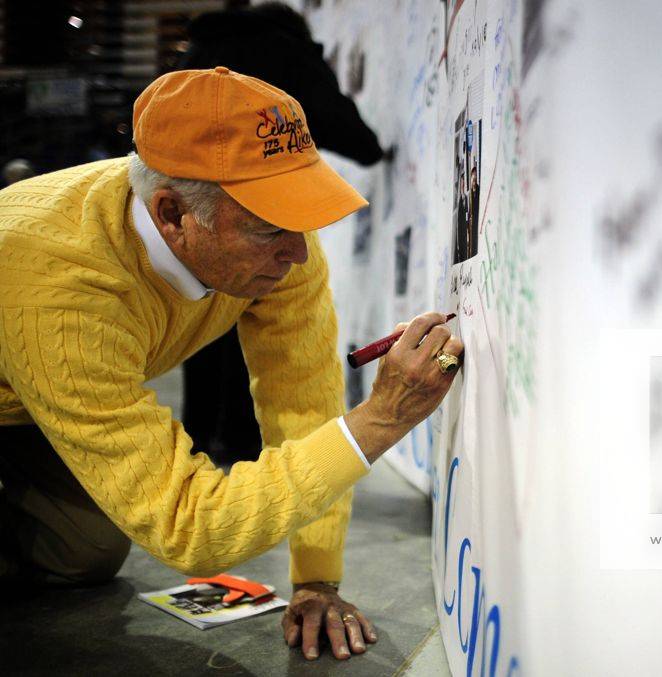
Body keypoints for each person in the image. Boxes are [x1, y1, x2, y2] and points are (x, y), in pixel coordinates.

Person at [0, 68, 463, 663]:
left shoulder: (276, 242)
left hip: (31, 388)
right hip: (26, 339)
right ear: (172, 215)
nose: (298, 253)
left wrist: (316, 578)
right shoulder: (61, 289)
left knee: (84, 550)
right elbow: (189, 526)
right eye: (269, 226)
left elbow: (301, 399)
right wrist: (382, 419)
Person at [178, 2, 390, 465]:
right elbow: (341, 123)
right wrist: (373, 149)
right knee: (263, 331)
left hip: (191, 216)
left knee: (198, 329)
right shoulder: (287, 52)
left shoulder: (198, 50)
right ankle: (243, 444)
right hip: (261, 212)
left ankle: (195, 441)